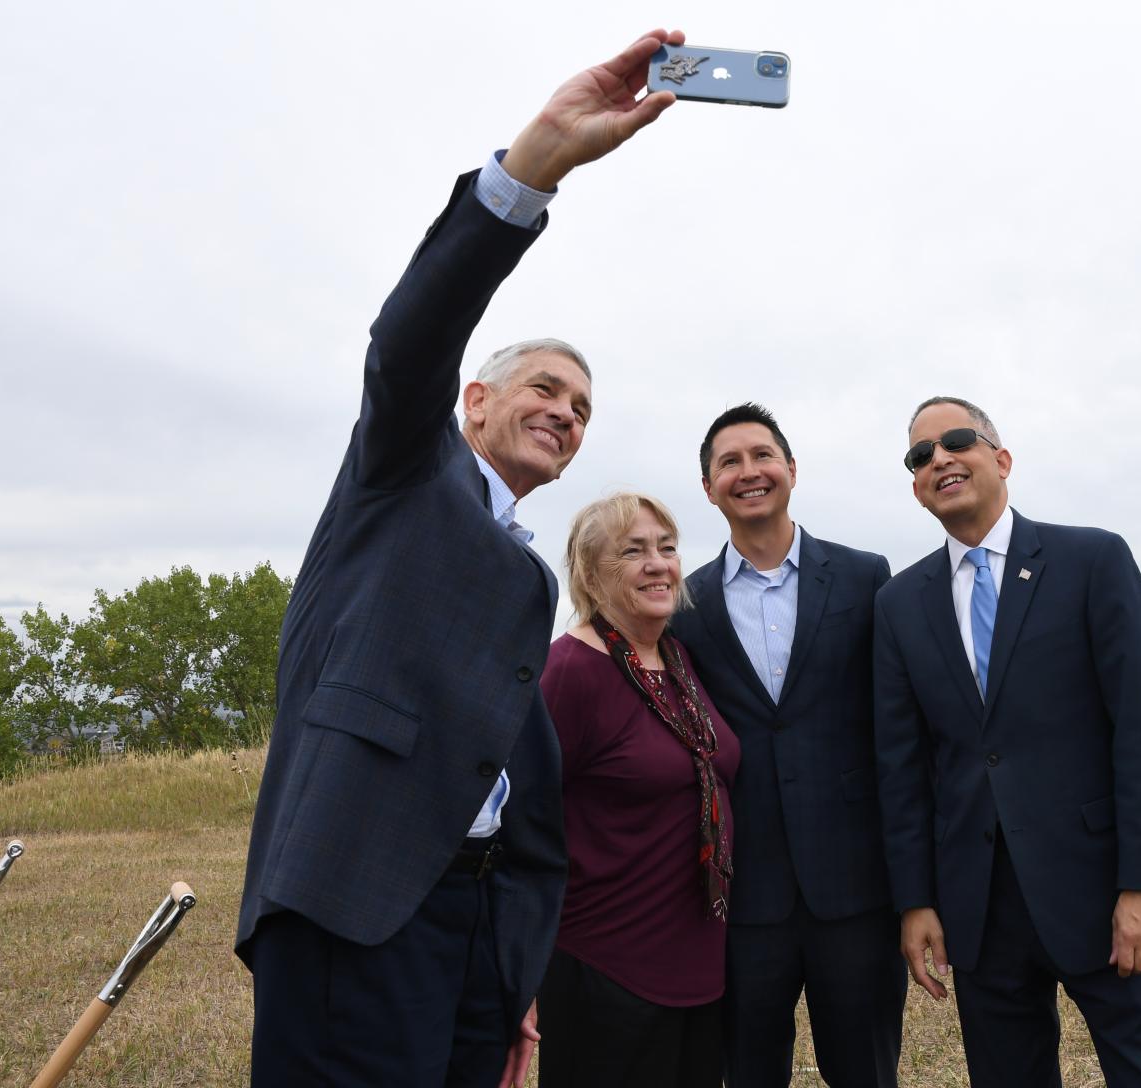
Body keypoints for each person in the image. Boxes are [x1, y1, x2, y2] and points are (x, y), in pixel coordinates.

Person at [234, 30, 687, 1088]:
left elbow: (511, 773)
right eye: (544, 389)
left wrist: (514, 959)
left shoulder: (525, 571)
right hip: (357, 899)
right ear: (474, 400)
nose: (565, 414)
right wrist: (534, 166)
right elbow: (409, 340)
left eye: (581, 410)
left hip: (478, 928)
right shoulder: (402, 475)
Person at [873, 396, 1141, 1088]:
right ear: (915, 485)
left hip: (1105, 895)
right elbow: (903, 769)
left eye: (957, 441)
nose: (939, 459)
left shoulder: (1092, 560)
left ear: (1001, 458)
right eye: (920, 455)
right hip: (980, 911)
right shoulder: (899, 605)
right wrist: (917, 901)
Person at [668, 404, 906, 1087]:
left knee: (866, 1072)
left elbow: (893, 722)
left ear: (792, 471)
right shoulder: (684, 604)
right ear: (709, 487)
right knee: (747, 1073)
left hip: (857, 891)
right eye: (729, 462)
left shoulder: (866, 578)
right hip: (743, 898)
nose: (749, 472)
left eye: (762, 456)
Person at [537, 493, 739, 1088]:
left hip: (697, 956)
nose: (659, 564)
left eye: (667, 548)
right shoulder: (569, 669)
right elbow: (525, 815)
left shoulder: (675, 659)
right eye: (634, 552)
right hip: (605, 965)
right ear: (592, 573)